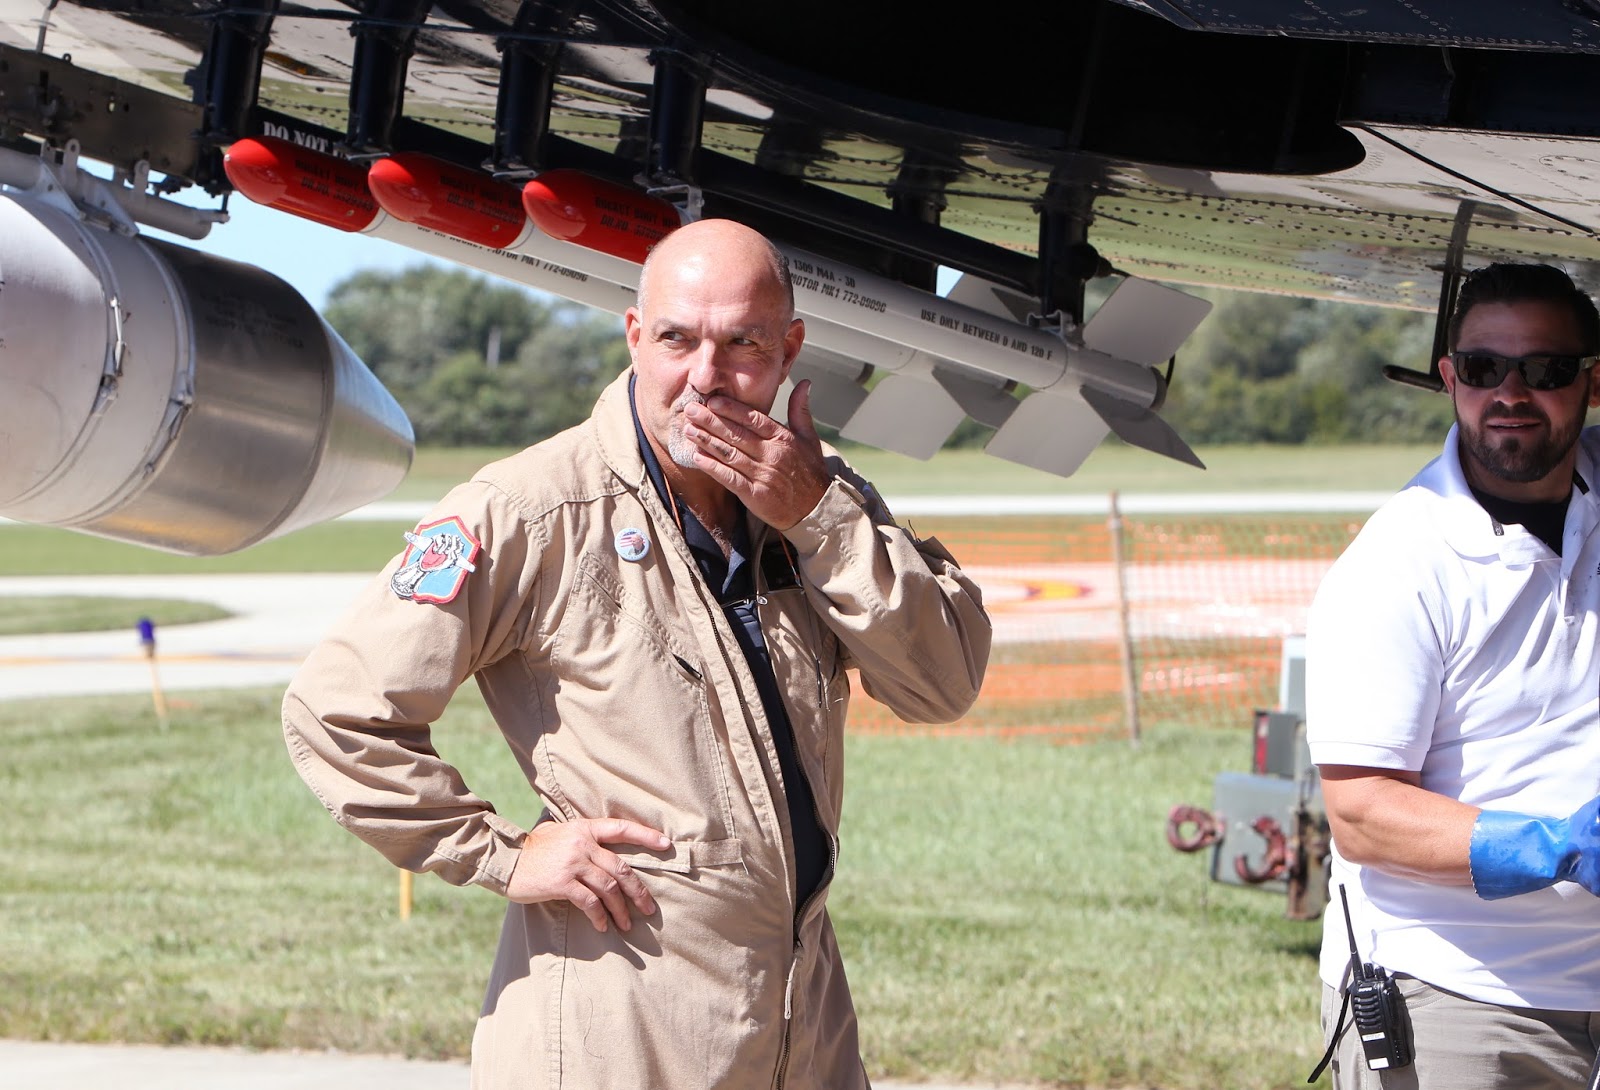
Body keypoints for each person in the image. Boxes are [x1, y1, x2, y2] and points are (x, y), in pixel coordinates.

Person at [281, 218, 992, 1090]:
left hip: (797, 1021)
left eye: (742, 343)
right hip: (620, 1033)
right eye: (676, 339)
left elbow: (943, 684)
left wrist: (820, 520)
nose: (705, 376)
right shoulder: (534, 510)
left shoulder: (811, 491)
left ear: (790, 349)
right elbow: (336, 712)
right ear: (633, 336)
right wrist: (503, 853)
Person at [1305, 262, 1600, 1089]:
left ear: (1590, 382)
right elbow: (1361, 813)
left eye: (1545, 370)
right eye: (1481, 369)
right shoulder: (1399, 564)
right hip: (1458, 1002)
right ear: (1449, 378)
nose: (1510, 391)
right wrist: (1556, 849)